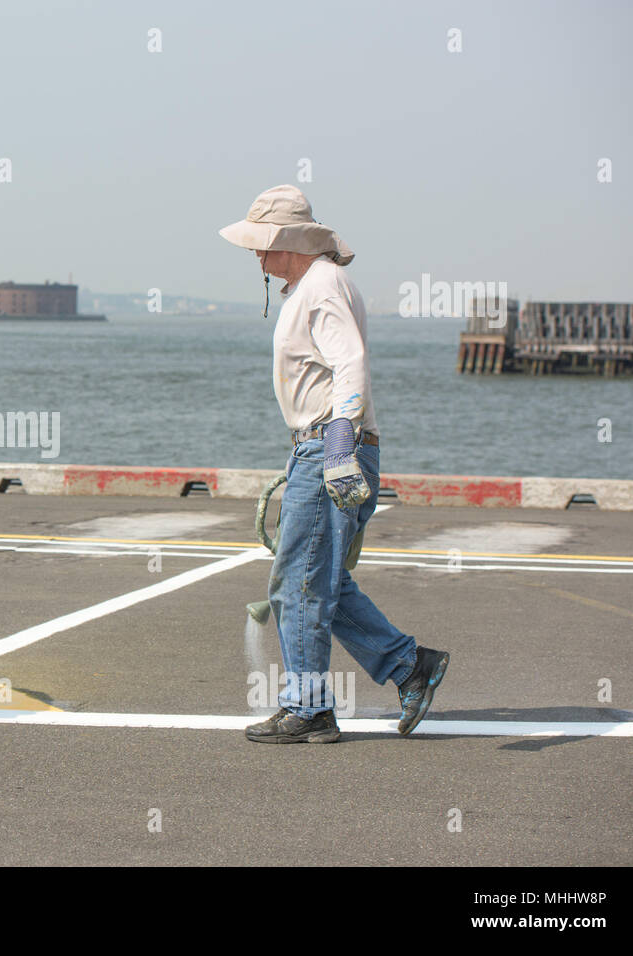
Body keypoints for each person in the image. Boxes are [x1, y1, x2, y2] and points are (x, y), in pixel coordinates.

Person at [219, 186, 449, 743]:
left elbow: (350, 364)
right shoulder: (313, 285)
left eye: (261, 243)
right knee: (319, 579)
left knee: (297, 580)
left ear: (288, 242)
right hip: (324, 444)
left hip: (329, 447)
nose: (254, 254)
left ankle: (308, 706)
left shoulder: (321, 287)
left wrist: (338, 445)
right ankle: (408, 665)